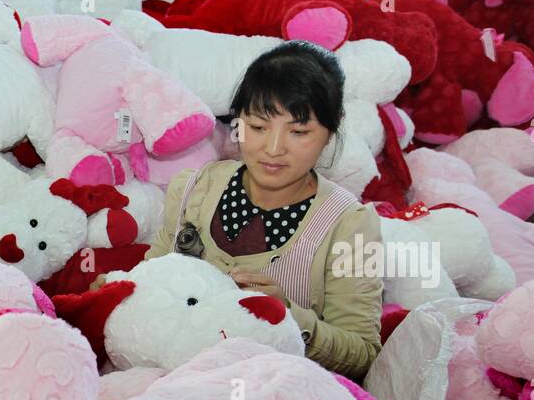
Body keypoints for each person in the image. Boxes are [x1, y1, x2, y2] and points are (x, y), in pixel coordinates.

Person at [146, 40, 384, 380]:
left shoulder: (349, 226)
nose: (273, 149)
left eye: (299, 132)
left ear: (331, 132)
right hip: (169, 379)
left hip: (273, 398)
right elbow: (151, 279)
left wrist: (286, 315)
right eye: (257, 127)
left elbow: (362, 354)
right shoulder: (193, 190)